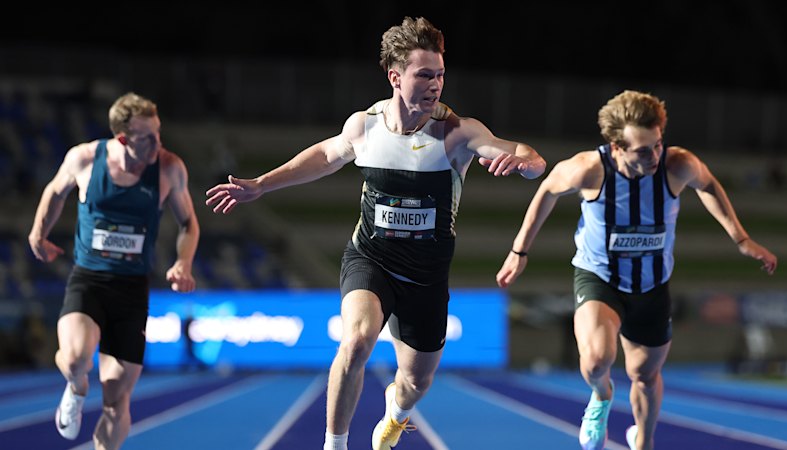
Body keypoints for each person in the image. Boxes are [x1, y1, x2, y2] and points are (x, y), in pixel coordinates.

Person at [205, 16, 546, 450]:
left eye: (440, 74)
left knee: (416, 381)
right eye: (425, 75)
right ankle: (335, 443)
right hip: (371, 258)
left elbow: (527, 157)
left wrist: (526, 163)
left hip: (425, 275)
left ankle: (396, 413)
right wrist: (260, 185)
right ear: (395, 76)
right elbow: (324, 156)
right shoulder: (365, 127)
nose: (436, 84)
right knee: (357, 340)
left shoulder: (457, 133)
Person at [494, 90, 777, 450]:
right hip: (600, 277)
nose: (654, 156)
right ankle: (600, 396)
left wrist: (741, 239)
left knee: (644, 374)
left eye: (658, 145)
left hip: (652, 285)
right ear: (616, 147)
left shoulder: (678, 165)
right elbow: (547, 190)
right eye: (643, 150)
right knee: (597, 360)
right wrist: (520, 251)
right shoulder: (588, 169)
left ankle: (642, 440)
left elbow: (708, 185)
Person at [28, 92, 199, 449]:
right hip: (89, 278)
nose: (158, 144)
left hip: (132, 289)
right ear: (122, 138)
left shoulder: (169, 168)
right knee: (76, 360)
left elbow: (188, 225)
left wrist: (183, 261)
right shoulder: (86, 158)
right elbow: (55, 191)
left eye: (159, 133)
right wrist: (39, 233)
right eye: (147, 138)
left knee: (116, 398)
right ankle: (75, 388)